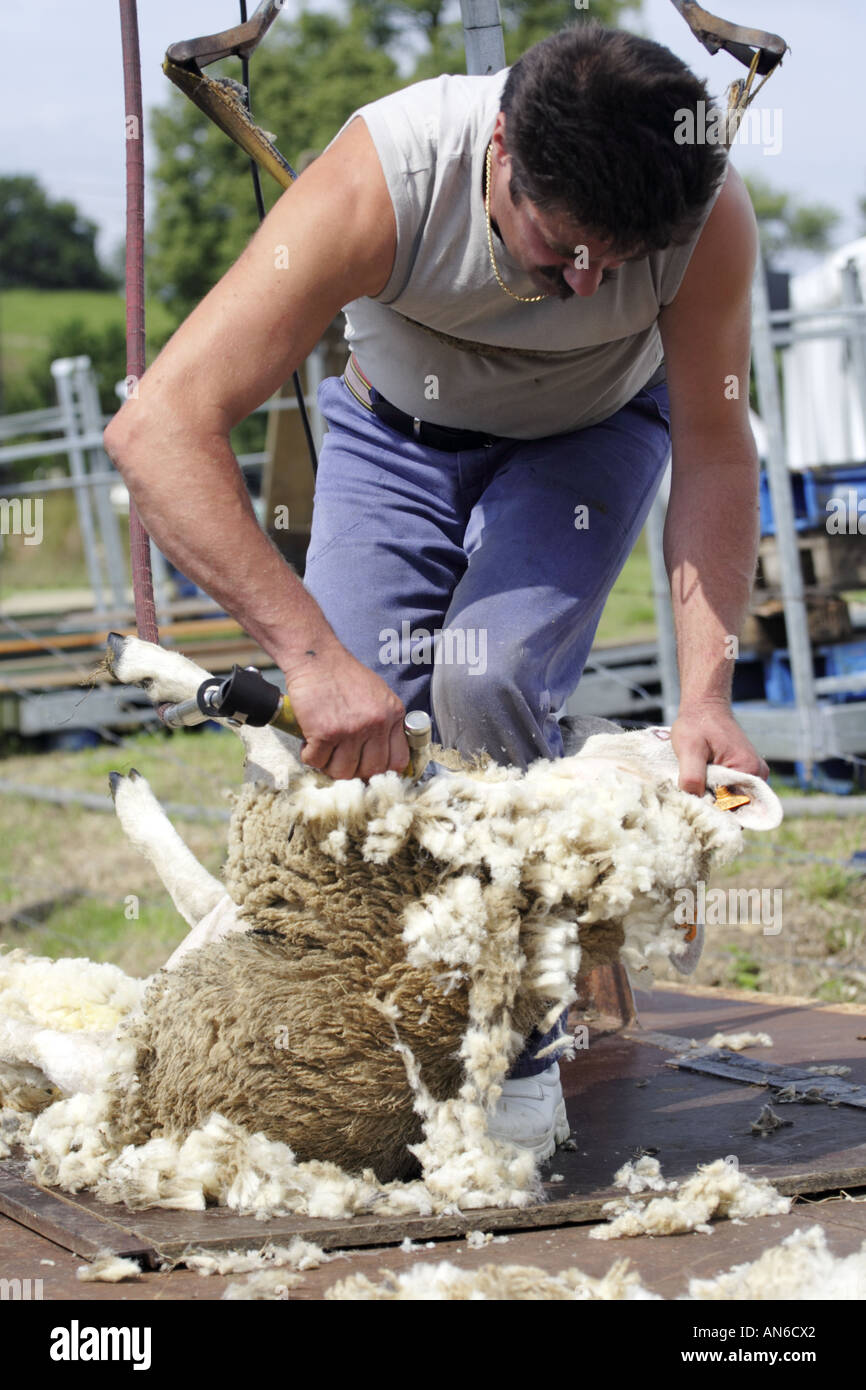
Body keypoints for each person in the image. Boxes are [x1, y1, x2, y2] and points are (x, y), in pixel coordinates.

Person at [104, 20, 770, 1159]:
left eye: (614, 263)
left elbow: (714, 444)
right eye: (559, 249)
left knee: (492, 675)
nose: (584, 283)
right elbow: (156, 426)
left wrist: (706, 696)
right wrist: (313, 662)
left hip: (591, 429)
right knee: (354, 730)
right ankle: (374, 1030)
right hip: (394, 431)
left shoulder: (704, 219)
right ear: (500, 150)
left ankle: (518, 1048)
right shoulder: (381, 178)